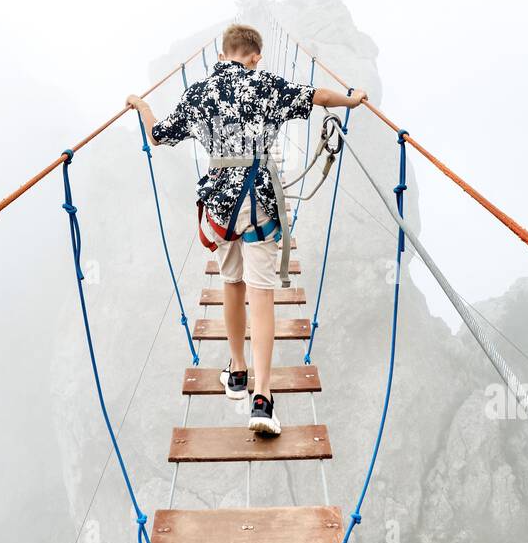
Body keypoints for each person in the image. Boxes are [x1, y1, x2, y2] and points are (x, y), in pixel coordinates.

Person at [126, 23, 365, 435]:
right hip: (259, 204)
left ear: (222, 55)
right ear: (255, 56)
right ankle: (262, 398)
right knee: (263, 297)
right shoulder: (265, 84)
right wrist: (351, 100)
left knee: (231, 286)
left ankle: (236, 372)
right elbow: (316, 96)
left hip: (221, 208)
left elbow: (159, 134)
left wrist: (140, 105)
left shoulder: (198, 93)